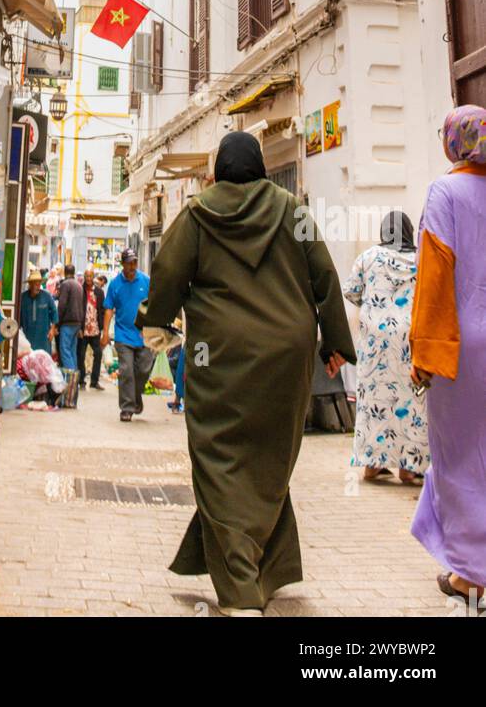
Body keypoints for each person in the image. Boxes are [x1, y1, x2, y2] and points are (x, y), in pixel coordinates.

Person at [137, 131, 355, 616]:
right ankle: (267, 570)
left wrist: (154, 322)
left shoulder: (197, 214)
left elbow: (168, 274)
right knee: (269, 460)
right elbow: (324, 275)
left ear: (218, 168)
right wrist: (336, 344)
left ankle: (239, 591)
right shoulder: (292, 211)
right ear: (258, 165)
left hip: (217, 356)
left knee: (219, 460)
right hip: (287, 357)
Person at [410, 105, 486, 607]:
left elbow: (434, 278)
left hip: (462, 347)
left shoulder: (445, 192)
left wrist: (425, 353)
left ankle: (471, 572)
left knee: (458, 460)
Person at [343, 211, 428, 485]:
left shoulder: (369, 258)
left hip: (375, 340)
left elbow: (351, 291)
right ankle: (410, 468)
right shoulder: (421, 258)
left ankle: (372, 465)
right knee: (413, 402)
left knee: (376, 400)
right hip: (412, 339)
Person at [100, 248, 153, 422]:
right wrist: (105, 333)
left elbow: (155, 303)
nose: (132, 266)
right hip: (123, 335)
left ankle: (135, 396)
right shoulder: (115, 284)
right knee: (126, 370)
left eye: (134, 262)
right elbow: (109, 309)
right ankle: (127, 408)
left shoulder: (146, 281)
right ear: (122, 264)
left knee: (144, 369)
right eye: (129, 262)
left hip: (144, 334)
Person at [77, 265, 106, 390]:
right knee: (81, 355)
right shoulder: (80, 290)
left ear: (93, 277)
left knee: (98, 354)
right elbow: (77, 310)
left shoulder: (99, 292)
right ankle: (81, 380)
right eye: (86, 276)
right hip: (83, 329)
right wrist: (79, 327)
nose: (88, 278)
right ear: (84, 277)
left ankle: (94, 381)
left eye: (90, 276)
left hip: (95, 329)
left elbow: (103, 310)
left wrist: (103, 328)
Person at [20, 269, 57, 355]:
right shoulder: (23, 298)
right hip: (28, 336)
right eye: (35, 284)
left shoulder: (46, 296)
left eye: (39, 283)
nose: (38, 286)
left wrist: (52, 329)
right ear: (30, 284)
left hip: (43, 337)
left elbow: (54, 313)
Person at [56, 263, 83, 373]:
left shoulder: (65, 284)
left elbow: (62, 305)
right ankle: (74, 384)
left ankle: (70, 380)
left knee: (65, 351)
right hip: (77, 323)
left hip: (67, 322)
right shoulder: (79, 285)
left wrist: (57, 322)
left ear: (65, 272)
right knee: (72, 352)